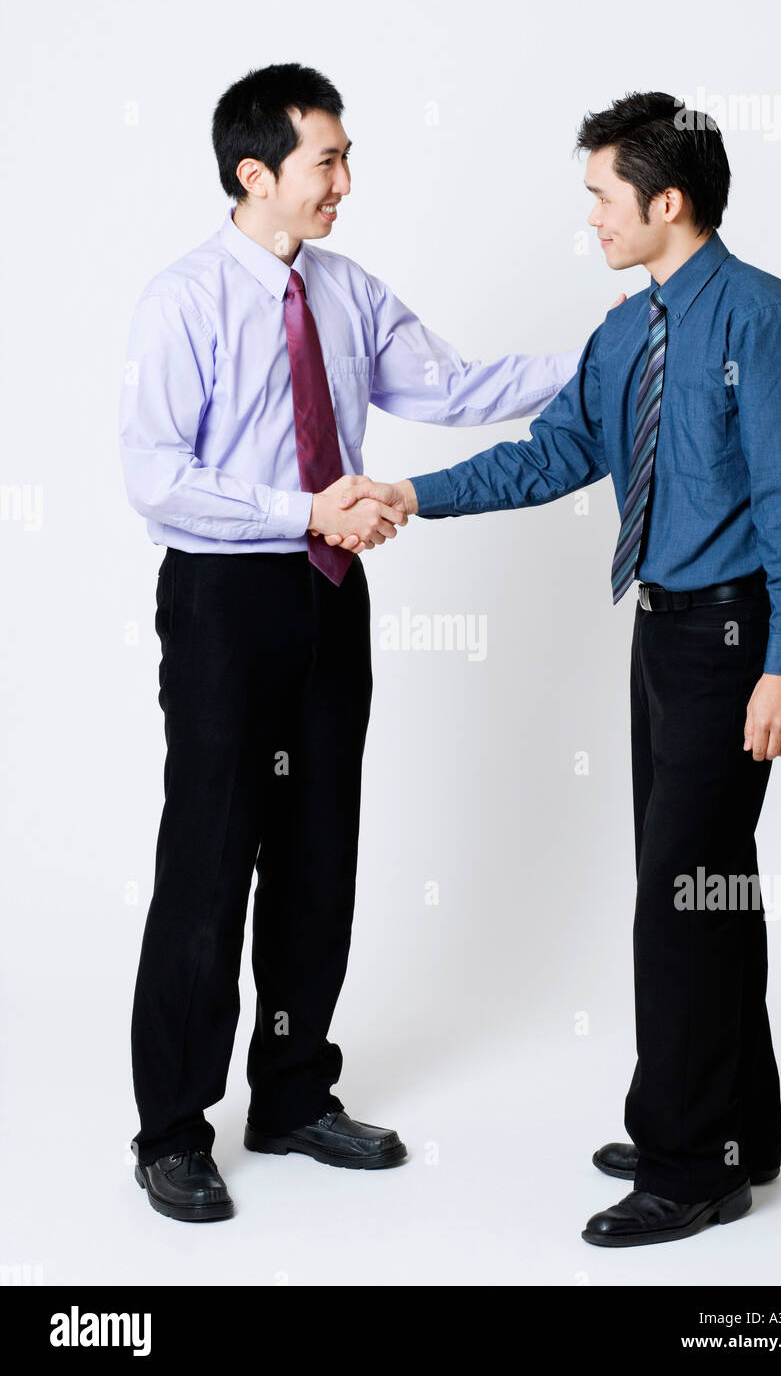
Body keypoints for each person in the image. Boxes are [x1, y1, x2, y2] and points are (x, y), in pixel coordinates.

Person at [331, 91, 781, 1247]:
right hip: (658, 636)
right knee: (708, 886)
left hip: (731, 638)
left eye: (604, 195)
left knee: (676, 899)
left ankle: (682, 1165)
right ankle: (730, 1132)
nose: (592, 218)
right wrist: (412, 493)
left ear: (668, 200)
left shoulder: (759, 320)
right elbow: (552, 453)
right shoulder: (626, 331)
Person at [118, 61, 601, 1223]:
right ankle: (172, 1131)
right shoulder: (182, 300)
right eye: (325, 160)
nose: (345, 180)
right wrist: (307, 509)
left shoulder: (342, 289)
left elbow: (448, 384)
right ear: (255, 174)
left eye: (344, 156)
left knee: (317, 852)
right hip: (226, 605)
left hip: (330, 598)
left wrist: (611, 356)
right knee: (207, 860)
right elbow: (154, 479)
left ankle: (290, 1094)